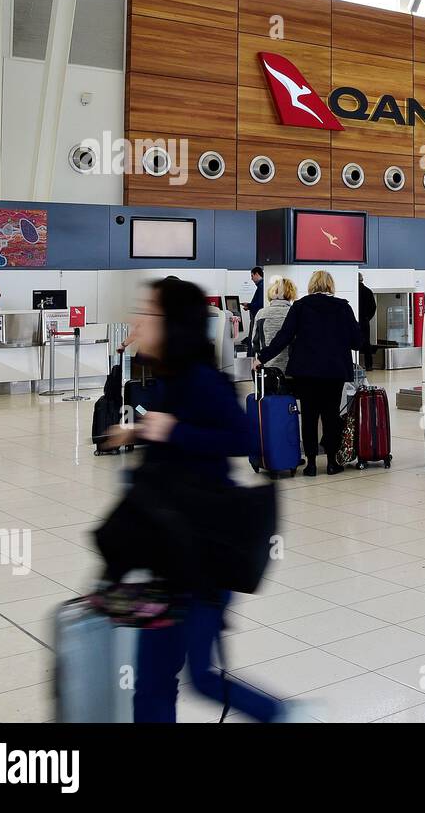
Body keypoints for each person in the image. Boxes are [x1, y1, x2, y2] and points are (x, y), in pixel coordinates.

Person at [105, 278, 294, 723]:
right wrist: (139, 432)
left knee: (199, 676)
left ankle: (282, 715)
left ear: (173, 324)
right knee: (155, 677)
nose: (138, 321)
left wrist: (169, 431)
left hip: (203, 553)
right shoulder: (173, 378)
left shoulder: (201, 379)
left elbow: (243, 435)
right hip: (172, 553)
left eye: (148, 313)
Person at [254, 270, 362, 476]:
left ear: (311, 286)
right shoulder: (343, 307)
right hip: (334, 372)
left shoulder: (300, 307)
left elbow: (283, 337)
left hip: (306, 372)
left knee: (310, 417)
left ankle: (311, 464)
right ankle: (331, 462)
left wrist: (262, 357)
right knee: (330, 416)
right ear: (331, 286)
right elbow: (357, 341)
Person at [252, 276, 296, 374]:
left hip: (266, 367)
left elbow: (255, 343)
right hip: (291, 369)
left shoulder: (261, 314)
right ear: (291, 293)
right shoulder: (294, 313)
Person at [358, 273, 377, 370]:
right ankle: (369, 365)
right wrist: (367, 318)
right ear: (362, 279)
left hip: (355, 320)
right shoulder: (368, 291)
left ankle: (355, 363)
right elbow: (373, 308)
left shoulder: (354, 291)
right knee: (366, 343)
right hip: (364, 321)